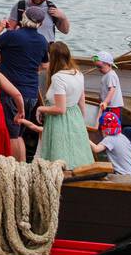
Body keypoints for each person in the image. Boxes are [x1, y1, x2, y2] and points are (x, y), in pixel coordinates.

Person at [0, 4, 50, 162]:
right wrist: (30, 69)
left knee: (12, 134)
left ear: (23, 18)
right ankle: (21, 166)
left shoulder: (12, 36)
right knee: (19, 133)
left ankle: (14, 169)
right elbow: (45, 66)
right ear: (40, 24)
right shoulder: (42, 41)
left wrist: (0, 27)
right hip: (31, 94)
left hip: (12, 93)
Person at [32, 41, 92, 169]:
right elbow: (82, 100)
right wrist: (81, 121)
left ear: (52, 57)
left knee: (59, 154)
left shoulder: (58, 78)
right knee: (75, 152)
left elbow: (60, 109)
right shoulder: (78, 74)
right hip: (75, 115)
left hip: (59, 121)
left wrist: (41, 108)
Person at [5, 0, 69, 42]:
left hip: (47, 49)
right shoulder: (20, 6)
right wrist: (16, 33)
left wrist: (63, 17)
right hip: (24, 49)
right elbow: (9, 30)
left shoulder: (51, 8)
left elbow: (65, 31)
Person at [88, 110, 131, 176]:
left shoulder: (109, 139)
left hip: (121, 175)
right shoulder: (124, 137)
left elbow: (96, 149)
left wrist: (85, 137)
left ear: (103, 129)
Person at [95, 51, 125, 117]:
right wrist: (100, 98)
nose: (98, 69)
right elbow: (104, 89)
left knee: (113, 123)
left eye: (100, 67)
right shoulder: (107, 75)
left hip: (113, 107)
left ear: (109, 64)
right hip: (108, 106)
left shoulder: (111, 75)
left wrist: (105, 102)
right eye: (97, 67)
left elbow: (112, 90)